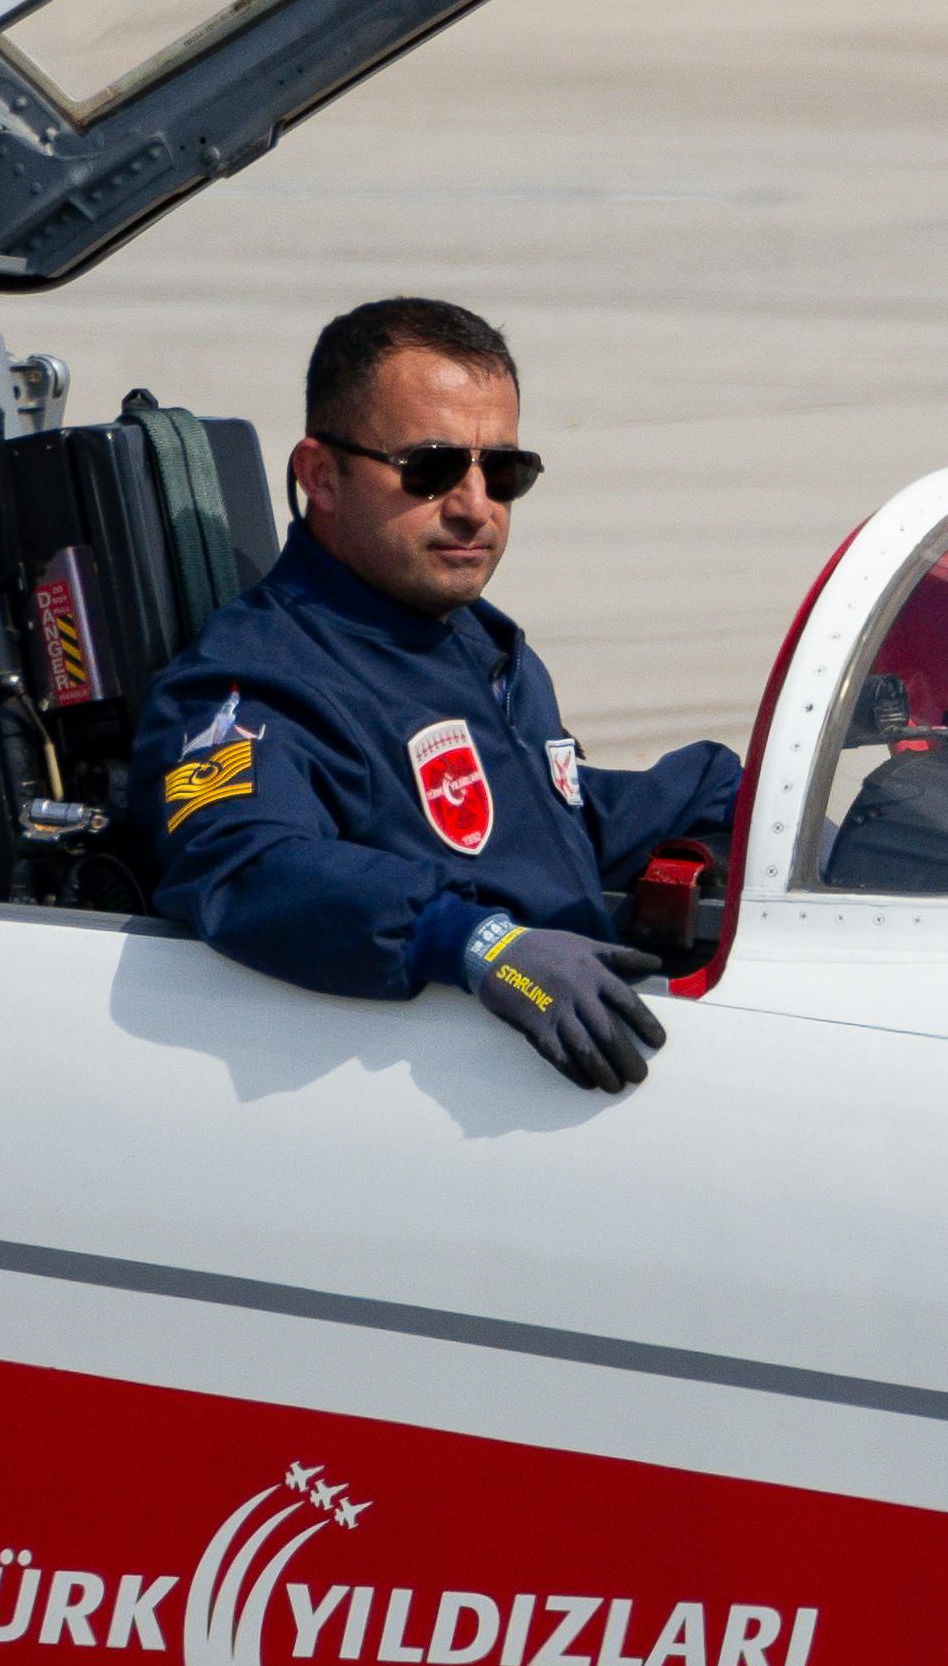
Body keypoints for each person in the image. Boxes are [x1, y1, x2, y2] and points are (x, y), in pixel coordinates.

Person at [134, 298, 739, 1092]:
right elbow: (244, 864)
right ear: (320, 475)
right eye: (432, 468)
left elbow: (546, 821)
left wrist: (741, 823)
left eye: (505, 472)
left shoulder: (466, 639)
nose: (475, 505)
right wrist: (474, 942)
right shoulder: (248, 688)